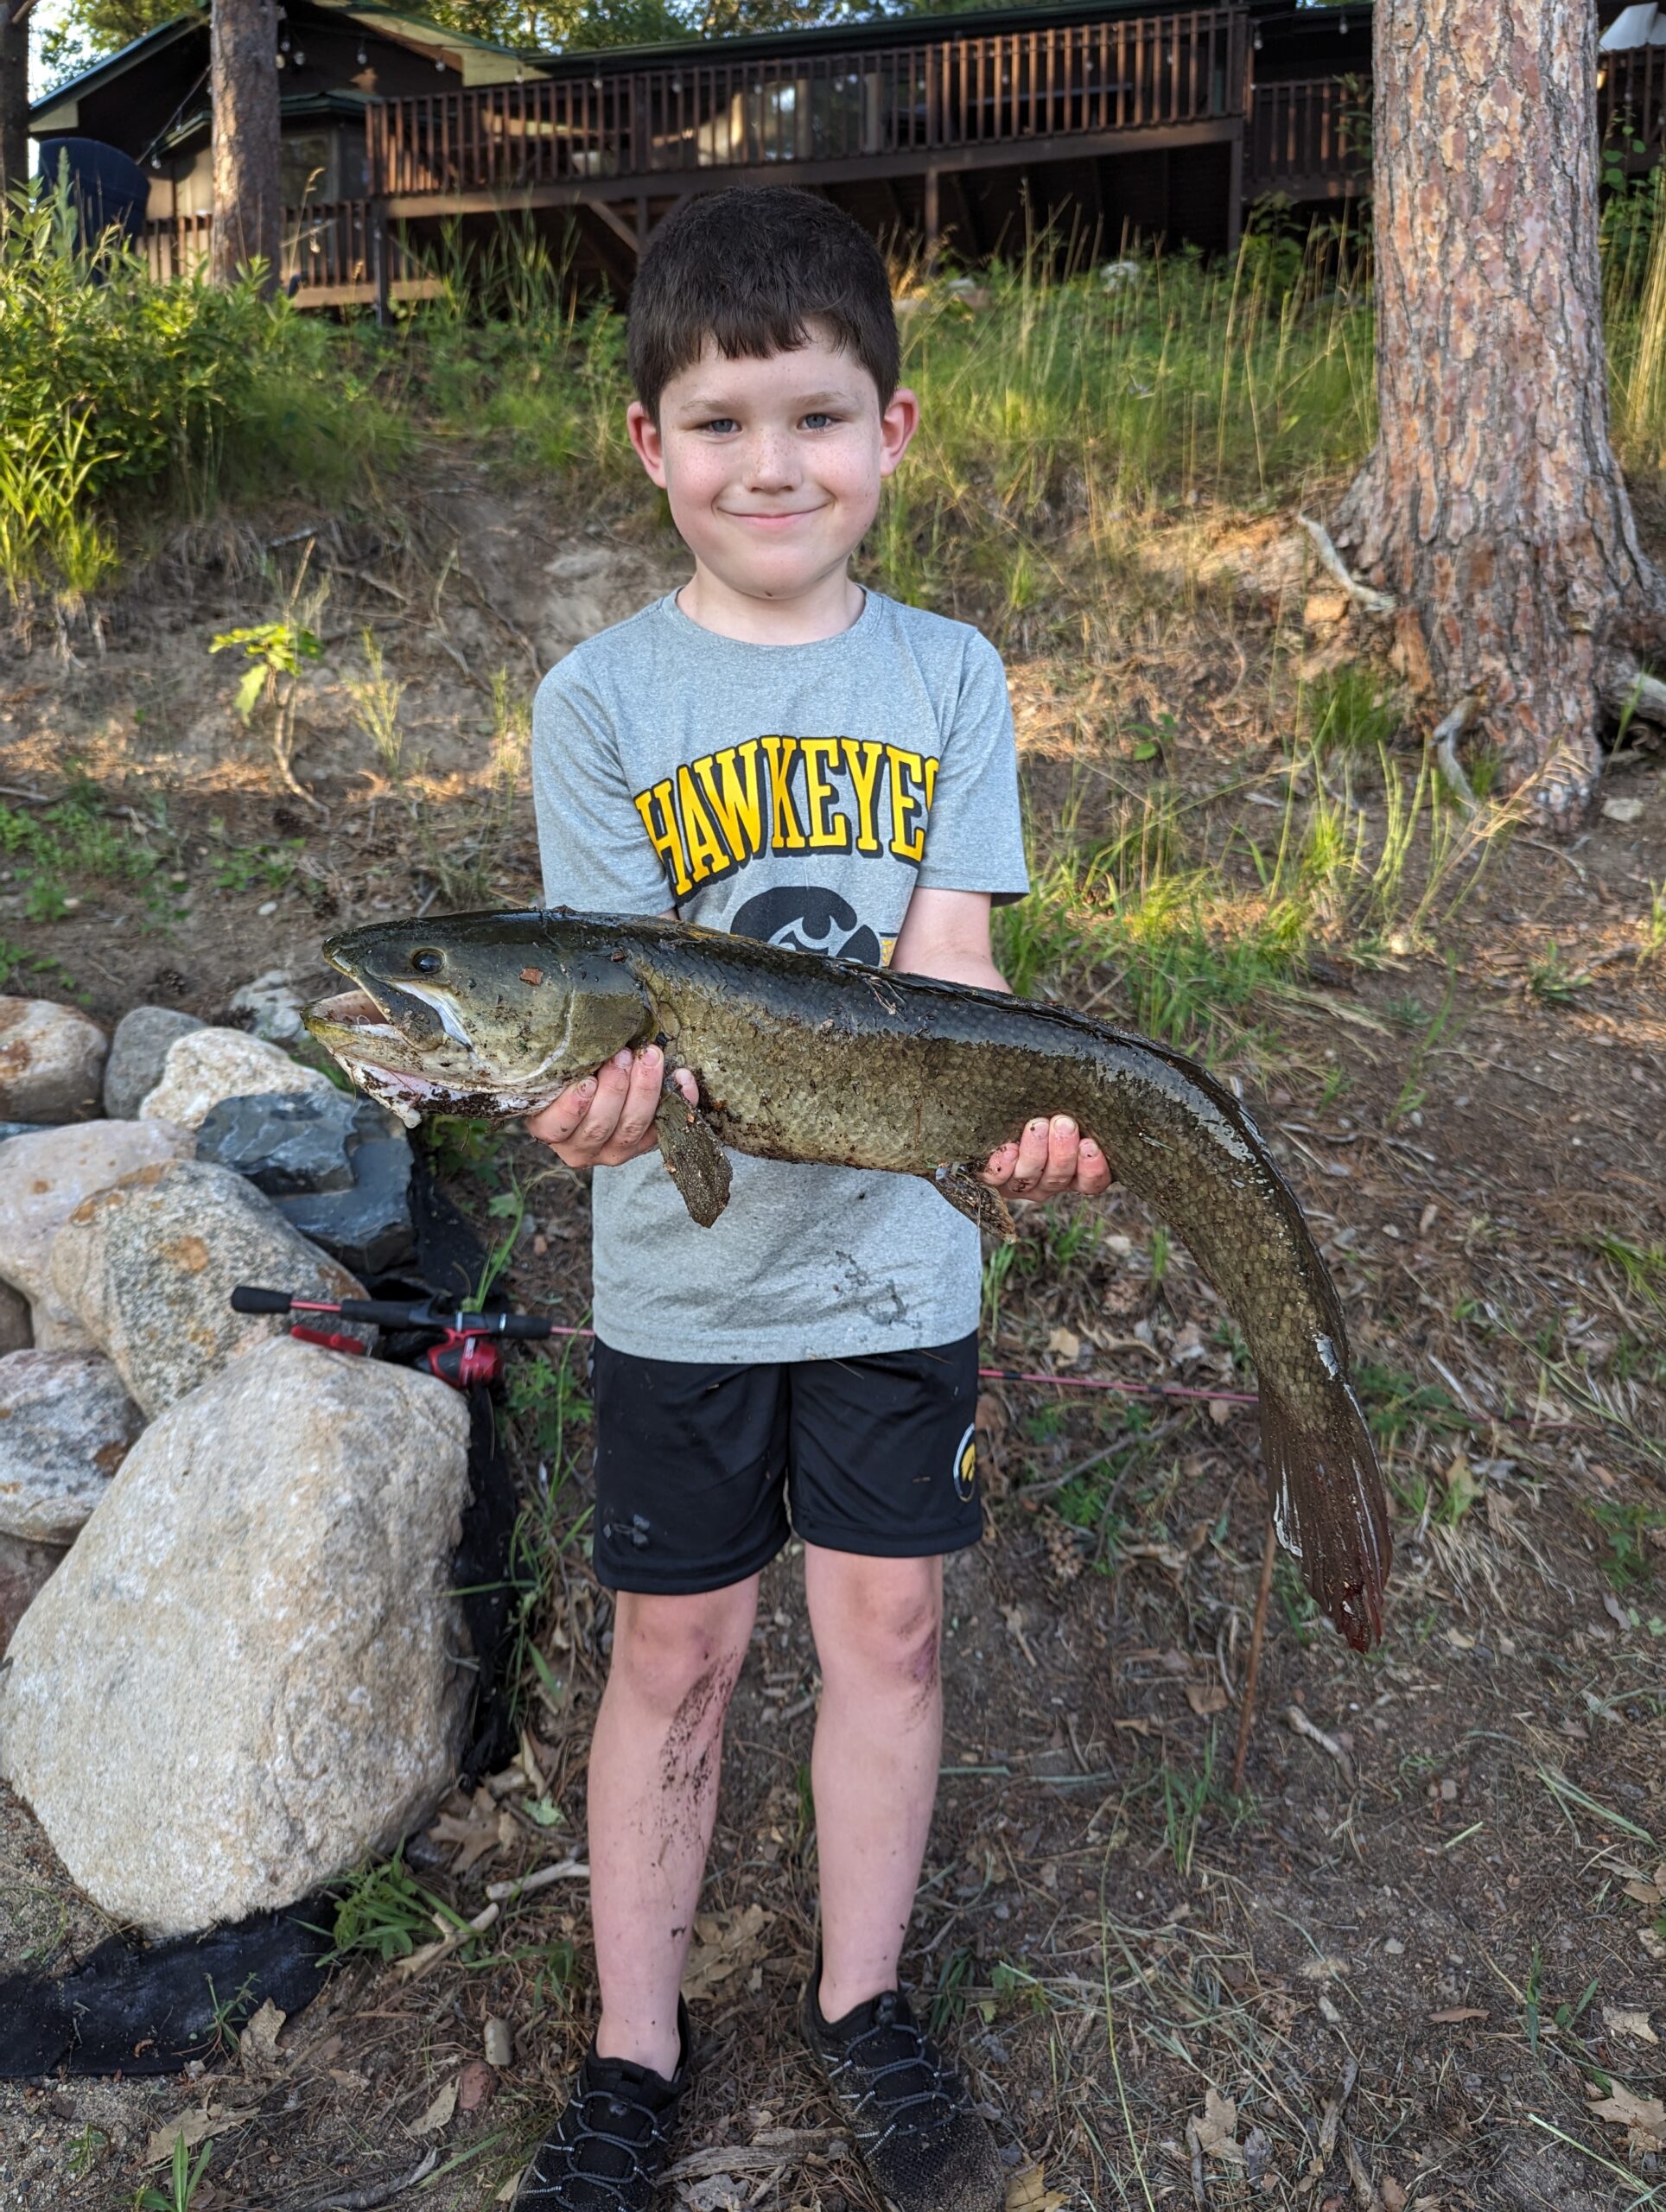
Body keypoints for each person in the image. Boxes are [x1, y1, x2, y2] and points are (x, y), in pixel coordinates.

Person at [516, 184, 1110, 2212]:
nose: (770, 464)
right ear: (647, 446)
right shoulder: (597, 702)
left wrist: (1005, 1121)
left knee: (895, 1630)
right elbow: (600, 1001)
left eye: (815, 415)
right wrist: (582, 1105)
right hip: (683, 1286)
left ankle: (863, 2002)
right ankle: (630, 2045)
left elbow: (952, 977)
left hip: (896, 1260)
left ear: (894, 430)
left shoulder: (950, 676)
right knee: (671, 1651)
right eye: (718, 422)